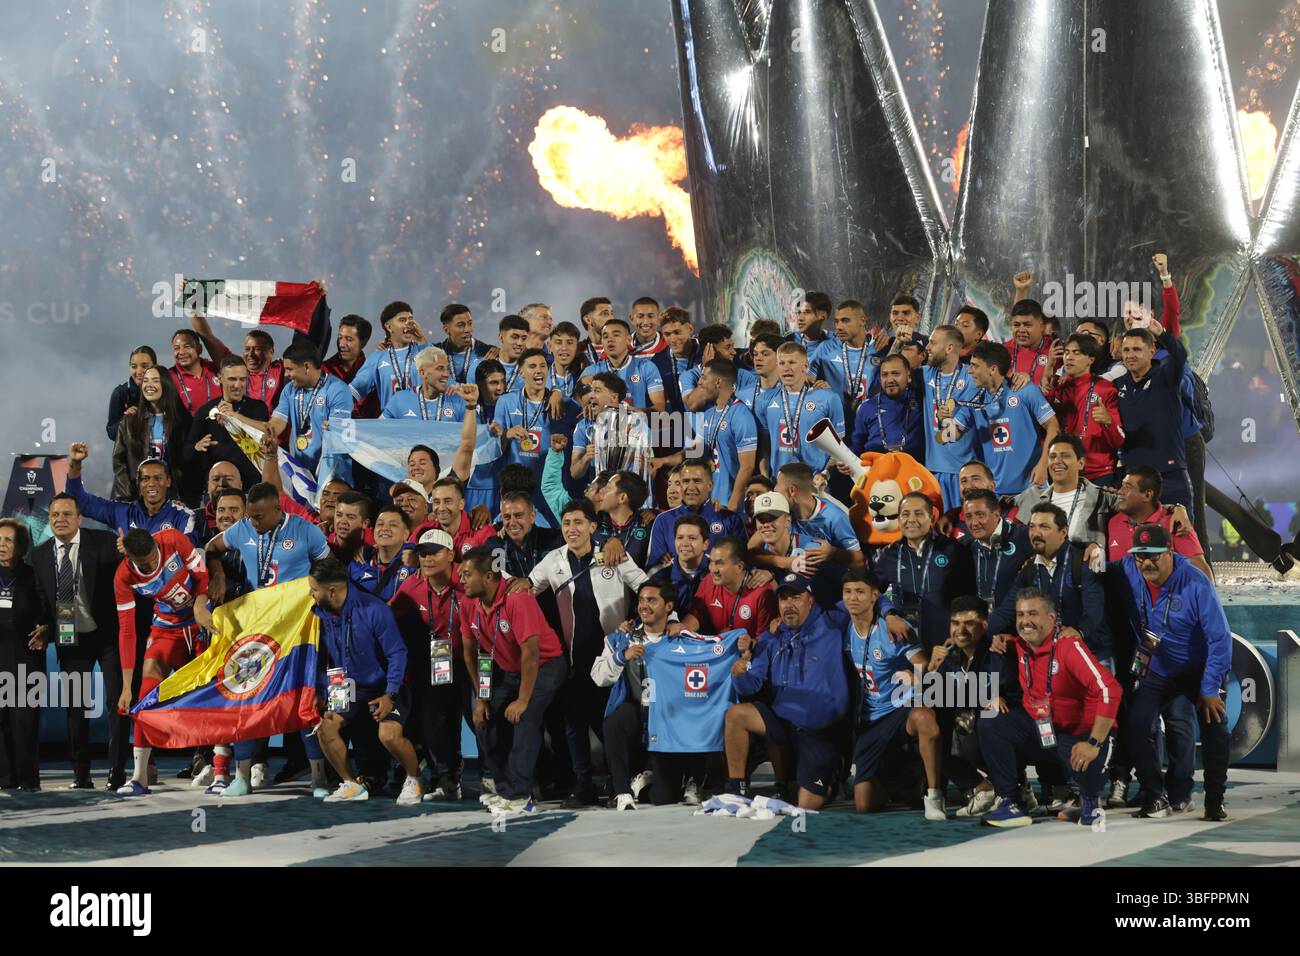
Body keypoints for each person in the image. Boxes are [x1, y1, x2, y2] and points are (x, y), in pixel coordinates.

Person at [527, 499, 648, 807]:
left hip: (611, 660)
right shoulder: (553, 560)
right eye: (567, 523)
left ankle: (618, 780)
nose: (572, 529)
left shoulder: (613, 554)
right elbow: (527, 589)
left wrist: (635, 620)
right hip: (574, 660)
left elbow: (645, 587)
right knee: (573, 725)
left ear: (593, 526)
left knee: (607, 723)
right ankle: (583, 786)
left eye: (579, 522)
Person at [978, 588, 1120, 828]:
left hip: (1083, 735)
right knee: (991, 721)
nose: (1025, 621)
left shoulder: (1069, 646)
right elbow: (1008, 642)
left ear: (1052, 619)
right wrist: (1002, 639)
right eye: (1020, 615)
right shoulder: (1019, 645)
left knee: (1085, 769)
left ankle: (1089, 800)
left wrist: (1094, 743)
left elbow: (1110, 689)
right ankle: (1011, 802)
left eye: (1032, 613)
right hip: (1045, 730)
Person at [1118, 525, 1231, 821]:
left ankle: (1214, 801)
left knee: (1214, 725)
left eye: (1154, 555)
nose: (1147, 563)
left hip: (1200, 668)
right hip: (1158, 667)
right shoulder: (1130, 569)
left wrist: (1209, 689)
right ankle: (1156, 796)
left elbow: (1220, 639)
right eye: (1141, 556)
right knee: (1137, 723)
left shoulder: (1196, 582)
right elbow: (1104, 569)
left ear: (1170, 552)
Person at [724, 575, 849, 808]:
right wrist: (740, 675)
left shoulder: (832, 622)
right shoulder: (772, 636)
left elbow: (866, 597)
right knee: (736, 715)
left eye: (796, 597)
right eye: (783, 599)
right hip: (783, 723)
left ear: (810, 601)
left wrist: (890, 614)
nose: (788, 605)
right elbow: (753, 685)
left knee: (808, 804)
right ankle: (736, 788)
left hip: (818, 730)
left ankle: (832, 774)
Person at [459, 546, 567, 816]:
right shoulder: (468, 602)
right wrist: (481, 697)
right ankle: (505, 790)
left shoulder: (517, 599)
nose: (461, 580)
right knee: (484, 721)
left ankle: (521, 796)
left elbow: (531, 653)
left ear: (487, 576)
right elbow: (473, 654)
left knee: (525, 716)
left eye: (467, 574)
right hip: (507, 669)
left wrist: (522, 699)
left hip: (545, 664)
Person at [308, 556, 423, 805]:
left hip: (387, 686)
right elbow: (322, 659)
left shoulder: (375, 610)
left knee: (389, 735)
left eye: (314, 590)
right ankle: (351, 784)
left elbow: (397, 654)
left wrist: (390, 694)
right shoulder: (320, 615)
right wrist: (322, 691)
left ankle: (414, 779)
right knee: (324, 727)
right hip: (349, 687)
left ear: (332, 590)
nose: (311, 595)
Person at [31, 494, 127, 790]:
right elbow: (43, 600)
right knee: (75, 706)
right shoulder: (39, 554)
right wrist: (45, 628)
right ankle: (80, 774)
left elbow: (128, 575)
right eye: (55, 515)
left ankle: (117, 771)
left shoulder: (104, 542)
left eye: (66, 514)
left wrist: (128, 551)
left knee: (116, 702)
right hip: (70, 638)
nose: (60, 519)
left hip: (108, 634)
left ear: (79, 517)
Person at [836, 568, 944, 819]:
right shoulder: (841, 624)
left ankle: (934, 795)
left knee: (924, 717)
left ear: (874, 595)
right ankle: (905, 782)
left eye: (860, 592)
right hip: (870, 720)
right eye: (848, 592)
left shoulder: (892, 629)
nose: (853, 598)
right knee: (864, 804)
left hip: (900, 710)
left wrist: (914, 676)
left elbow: (926, 667)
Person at [113, 528, 213, 796]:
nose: (149, 566)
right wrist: (125, 686)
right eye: (142, 564)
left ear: (157, 545)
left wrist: (200, 606)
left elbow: (202, 576)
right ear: (130, 558)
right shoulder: (123, 575)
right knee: (145, 696)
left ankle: (220, 767)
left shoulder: (173, 539)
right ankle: (139, 777)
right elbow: (127, 631)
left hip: (202, 620)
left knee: (212, 689)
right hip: (166, 629)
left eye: (152, 559)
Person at [389, 529, 470, 801]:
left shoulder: (468, 577)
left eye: (434, 552)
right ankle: (445, 776)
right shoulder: (411, 586)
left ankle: (493, 778)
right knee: (433, 717)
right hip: (435, 663)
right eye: (423, 554)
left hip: (473, 662)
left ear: (450, 554)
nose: (427, 559)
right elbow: (389, 618)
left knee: (477, 717)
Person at [926, 596, 1019, 818]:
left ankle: (1014, 790)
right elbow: (930, 698)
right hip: (972, 728)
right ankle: (981, 788)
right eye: (955, 623)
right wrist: (931, 668)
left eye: (969, 623)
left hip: (1006, 730)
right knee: (931, 725)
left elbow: (1001, 696)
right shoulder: (950, 655)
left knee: (986, 719)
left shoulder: (997, 649)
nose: (961, 630)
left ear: (984, 625)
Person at [989, 503, 1111, 664]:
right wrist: (976, 632)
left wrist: (1079, 631)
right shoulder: (1029, 570)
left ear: (1063, 532)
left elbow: (1095, 609)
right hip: (1052, 656)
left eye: (1044, 527)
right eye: (1032, 527)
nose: (1035, 533)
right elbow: (1006, 611)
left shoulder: (1085, 561)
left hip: (1092, 653)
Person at [591, 580, 676, 809]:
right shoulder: (621, 639)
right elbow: (598, 677)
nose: (644, 605)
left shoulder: (678, 640)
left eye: (651, 600)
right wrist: (621, 656)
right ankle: (621, 791)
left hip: (667, 721)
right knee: (615, 720)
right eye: (641, 600)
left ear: (669, 607)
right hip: (636, 715)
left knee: (663, 797)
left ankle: (645, 778)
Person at [872, 492, 975, 650]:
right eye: (905, 514)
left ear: (932, 518)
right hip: (906, 645)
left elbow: (971, 594)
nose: (911, 520)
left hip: (947, 643)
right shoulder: (889, 555)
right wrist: (889, 614)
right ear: (899, 520)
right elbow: (871, 592)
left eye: (919, 513)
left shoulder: (954, 550)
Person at [955, 341, 1057, 494]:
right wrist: (946, 419)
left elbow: (1053, 427)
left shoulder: (1024, 390)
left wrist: (1044, 464)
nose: (969, 371)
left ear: (993, 369)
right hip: (994, 491)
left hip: (1031, 487)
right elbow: (951, 436)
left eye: (975, 366)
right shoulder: (974, 399)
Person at [1114, 318, 1192, 510]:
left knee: (1178, 534)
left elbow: (1180, 355)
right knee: (1137, 538)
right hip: (1133, 477)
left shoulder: (1166, 377)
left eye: (1137, 349)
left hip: (1169, 474)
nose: (1130, 355)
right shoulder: (1117, 385)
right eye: (1126, 350)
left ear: (1152, 352)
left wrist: (1163, 333)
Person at [0, 520, 49, 791]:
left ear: (20, 546)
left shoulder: (32, 575)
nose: (2, 545)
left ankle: (28, 781)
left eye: (8, 540)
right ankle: (5, 780)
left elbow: (47, 612)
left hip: (26, 661)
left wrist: (46, 629)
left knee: (24, 723)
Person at [66, 442, 199, 543]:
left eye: (158, 478)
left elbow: (186, 552)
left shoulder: (184, 517)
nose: (151, 484)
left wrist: (133, 549)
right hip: (129, 579)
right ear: (138, 484)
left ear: (168, 481)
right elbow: (79, 502)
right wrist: (76, 464)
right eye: (145, 479)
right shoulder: (122, 512)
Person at [1013, 434, 1115, 559]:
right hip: (1041, 572)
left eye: (1065, 456)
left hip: (1082, 572)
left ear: (1081, 463)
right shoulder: (1032, 496)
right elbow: (995, 504)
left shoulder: (1102, 497)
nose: (1057, 461)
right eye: (1052, 456)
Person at [267, 342, 355, 480]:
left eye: (290, 369)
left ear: (306, 367)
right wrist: (238, 419)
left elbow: (337, 438)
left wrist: (324, 475)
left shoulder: (338, 390)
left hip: (332, 473)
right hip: (301, 474)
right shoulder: (289, 390)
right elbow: (276, 423)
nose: (286, 374)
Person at [918, 325, 984, 508]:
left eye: (933, 342)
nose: (928, 347)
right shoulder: (925, 374)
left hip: (964, 473)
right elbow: (897, 365)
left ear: (949, 348)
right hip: (932, 471)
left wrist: (1022, 376)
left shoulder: (972, 377)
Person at [1106, 466, 1211, 580]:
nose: (1120, 491)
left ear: (1147, 495)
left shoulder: (1174, 523)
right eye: (1122, 485)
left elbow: (1202, 574)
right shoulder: (1112, 522)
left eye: (1128, 487)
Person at [759, 342, 845, 477]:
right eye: (781, 363)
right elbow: (764, 444)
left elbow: (839, 446)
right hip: (779, 482)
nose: (786, 368)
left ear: (805, 366)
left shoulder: (829, 399)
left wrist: (825, 474)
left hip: (814, 481)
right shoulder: (765, 400)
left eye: (792, 362)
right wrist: (765, 475)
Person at [186, 354, 271, 491]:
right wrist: (197, 446)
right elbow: (187, 452)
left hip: (253, 488)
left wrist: (235, 416)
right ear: (220, 378)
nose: (237, 385)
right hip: (217, 490)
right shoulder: (205, 411)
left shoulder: (258, 408)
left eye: (242, 379)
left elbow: (267, 432)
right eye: (232, 379)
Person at [1050, 334, 1124, 484]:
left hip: (1099, 474)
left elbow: (1119, 441)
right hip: (1064, 471)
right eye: (1066, 352)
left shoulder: (1105, 389)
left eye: (1076, 353)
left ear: (1091, 359)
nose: (1069, 357)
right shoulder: (1058, 389)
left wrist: (1108, 421)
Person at [112, 365, 193, 502]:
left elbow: (187, 464)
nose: (149, 385)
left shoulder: (182, 421)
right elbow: (119, 462)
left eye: (155, 381)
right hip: (136, 499)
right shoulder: (129, 421)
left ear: (166, 385)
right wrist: (127, 498)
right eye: (146, 381)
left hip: (172, 499)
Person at [646, 459, 747, 567]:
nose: (691, 487)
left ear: (710, 485)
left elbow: (743, 564)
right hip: (673, 584)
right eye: (685, 481)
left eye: (697, 481)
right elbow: (654, 569)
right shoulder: (664, 520)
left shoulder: (730, 519)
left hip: (717, 583)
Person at [690, 359, 759, 513]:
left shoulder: (741, 415)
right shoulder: (709, 413)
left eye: (704, 377)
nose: (700, 382)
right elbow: (695, 450)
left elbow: (747, 466)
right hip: (708, 500)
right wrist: (662, 461)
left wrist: (733, 502)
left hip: (728, 501)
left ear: (718, 382)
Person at [681, 536, 776, 641]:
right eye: (711, 562)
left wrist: (748, 646)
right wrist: (682, 628)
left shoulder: (762, 593)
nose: (713, 569)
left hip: (749, 654)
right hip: (718, 649)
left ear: (739, 567)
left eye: (719, 563)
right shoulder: (708, 581)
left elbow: (765, 642)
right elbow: (697, 614)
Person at [187, 314, 287, 414]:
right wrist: (192, 309)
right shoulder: (234, 367)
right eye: (247, 349)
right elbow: (208, 338)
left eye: (258, 349)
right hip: (237, 428)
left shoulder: (282, 369)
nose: (250, 354)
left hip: (271, 428)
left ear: (271, 351)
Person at [774, 462, 865, 570]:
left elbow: (860, 561)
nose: (774, 489)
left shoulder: (835, 517)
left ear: (792, 490)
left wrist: (834, 553)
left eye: (777, 484)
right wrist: (783, 563)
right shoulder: (782, 512)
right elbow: (753, 548)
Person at [808, 300, 883, 418]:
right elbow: (804, 376)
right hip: (835, 424)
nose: (839, 327)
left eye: (845, 320)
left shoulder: (880, 348)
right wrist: (817, 386)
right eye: (836, 321)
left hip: (870, 423)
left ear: (862, 321)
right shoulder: (827, 348)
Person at [960, 489, 1031, 609]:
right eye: (968, 516)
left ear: (997, 514)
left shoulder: (1024, 536)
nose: (974, 523)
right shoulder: (966, 548)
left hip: (1017, 622)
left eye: (980, 515)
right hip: (983, 621)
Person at [352, 301, 431, 409]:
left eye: (410, 319)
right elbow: (353, 391)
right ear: (389, 327)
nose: (409, 323)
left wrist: (422, 341)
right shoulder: (377, 358)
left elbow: (443, 379)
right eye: (402, 320)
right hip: (391, 423)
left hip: (423, 423)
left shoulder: (424, 350)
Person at [583, 317, 665, 413]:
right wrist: (586, 405)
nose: (610, 339)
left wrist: (637, 411)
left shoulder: (646, 367)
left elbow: (660, 408)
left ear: (628, 339)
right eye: (605, 336)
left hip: (635, 426)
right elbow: (580, 397)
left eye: (616, 335)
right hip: (602, 427)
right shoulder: (591, 371)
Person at [850, 353, 924, 459]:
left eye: (895, 374)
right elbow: (856, 448)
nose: (889, 380)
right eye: (884, 375)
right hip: (875, 471)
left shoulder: (922, 401)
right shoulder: (867, 408)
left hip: (913, 472)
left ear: (909, 377)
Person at [384, 347, 470, 422]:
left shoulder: (459, 401)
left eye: (447, 369)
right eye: (440, 368)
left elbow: (473, 436)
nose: (446, 374)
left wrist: (471, 405)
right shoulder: (400, 400)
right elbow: (379, 432)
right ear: (422, 372)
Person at [492, 491, 561, 579]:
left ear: (532, 517)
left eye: (518, 516)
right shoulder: (495, 546)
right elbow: (496, 584)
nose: (512, 523)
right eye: (507, 517)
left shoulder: (554, 539)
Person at [323, 314, 380, 419]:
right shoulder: (323, 371)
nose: (341, 344)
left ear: (363, 342)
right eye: (340, 338)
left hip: (366, 434)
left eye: (349, 339)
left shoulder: (375, 373)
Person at [593, 471, 652, 569]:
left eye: (608, 487)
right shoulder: (594, 524)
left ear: (622, 498)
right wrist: (608, 541)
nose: (601, 490)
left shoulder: (648, 527)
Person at [167, 327, 222, 418]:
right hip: (190, 430)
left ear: (199, 349)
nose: (181, 352)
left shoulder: (215, 368)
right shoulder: (169, 376)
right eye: (176, 348)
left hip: (220, 428)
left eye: (187, 346)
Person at [437, 303, 495, 386]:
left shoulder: (487, 352)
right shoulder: (436, 352)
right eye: (461, 325)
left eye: (470, 323)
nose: (468, 329)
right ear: (446, 330)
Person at [1003, 299, 1058, 388]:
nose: (1021, 330)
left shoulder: (1055, 351)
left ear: (1041, 326)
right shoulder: (1003, 351)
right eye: (1016, 325)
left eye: (1027, 325)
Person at [107, 346, 157, 441]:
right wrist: (125, 420)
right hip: (132, 454)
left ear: (155, 366)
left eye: (145, 366)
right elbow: (111, 434)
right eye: (134, 366)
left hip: (161, 451)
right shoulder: (120, 393)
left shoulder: (164, 390)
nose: (139, 371)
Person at [494, 314, 532, 394]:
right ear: (501, 337)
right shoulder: (480, 366)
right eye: (514, 337)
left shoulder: (531, 369)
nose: (520, 343)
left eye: (524, 338)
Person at [578, 296, 614, 366]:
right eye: (605, 314)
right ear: (588, 320)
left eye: (611, 313)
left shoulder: (621, 347)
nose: (611, 318)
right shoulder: (577, 350)